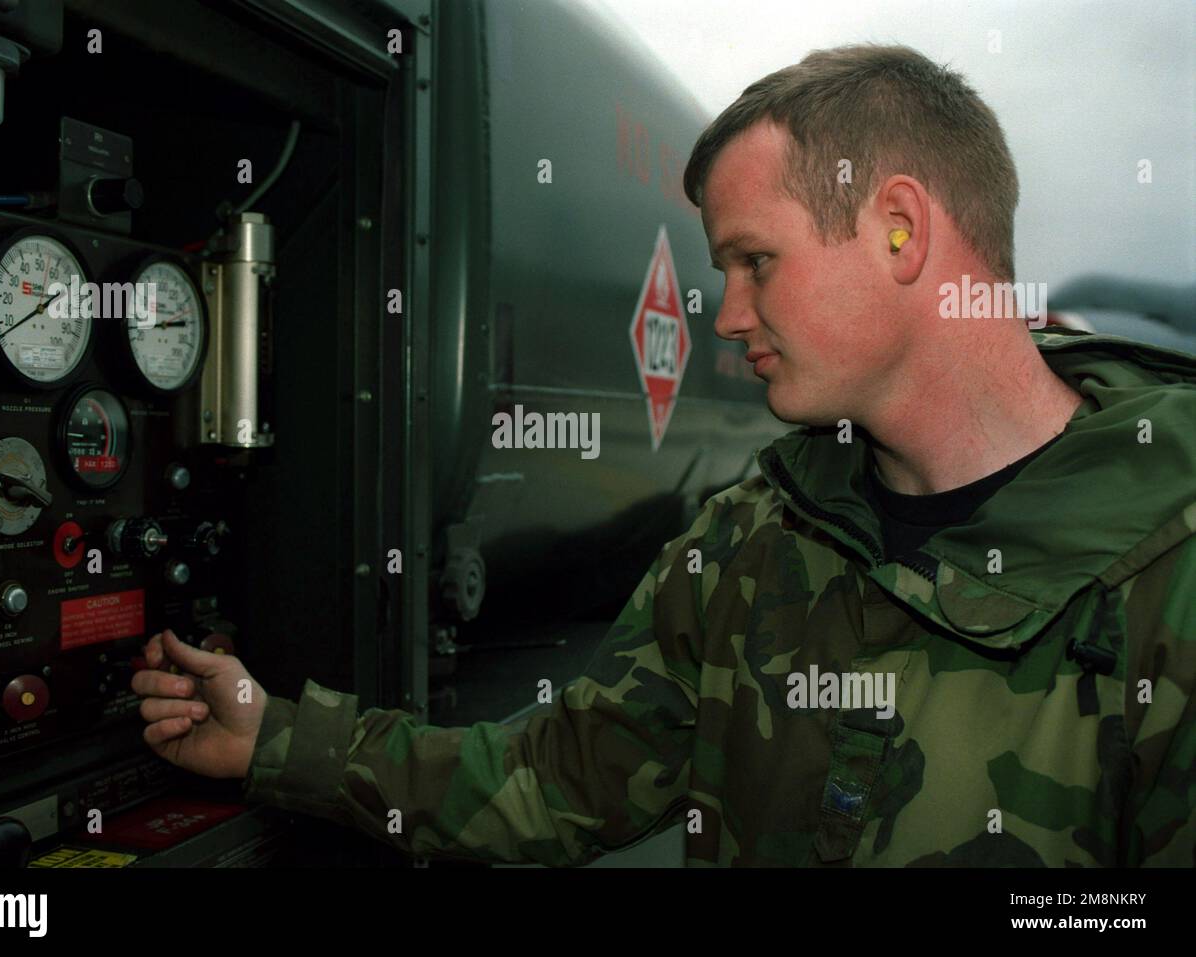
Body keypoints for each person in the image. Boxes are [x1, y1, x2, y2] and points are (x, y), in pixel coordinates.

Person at [133, 44, 1196, 866]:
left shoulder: (1167, 575)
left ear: (899, 232)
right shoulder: (751, 541)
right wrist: (275, 740)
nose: (725, 316)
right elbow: (559, 781)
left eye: (754, 261)